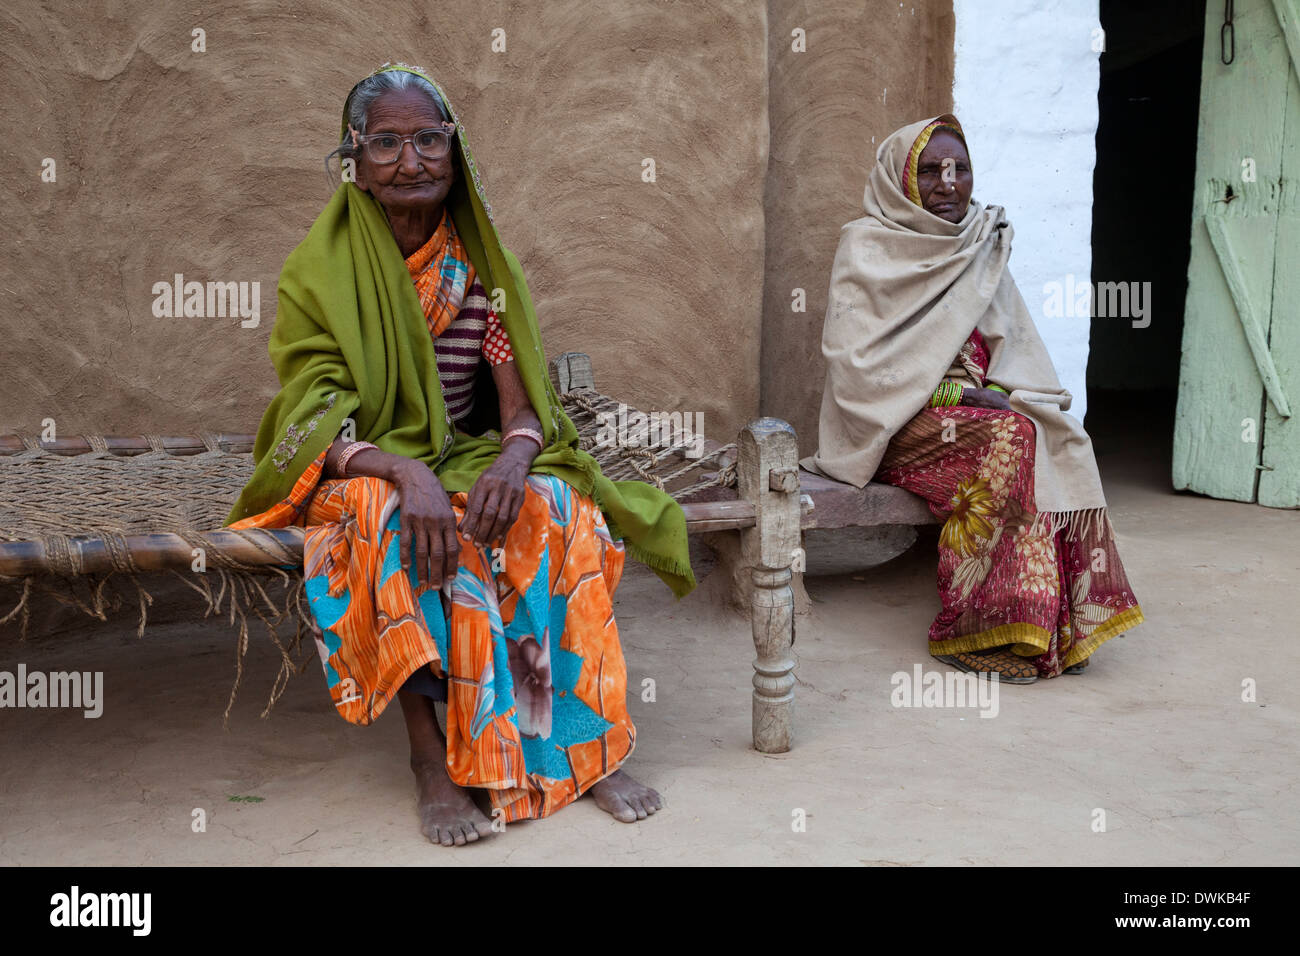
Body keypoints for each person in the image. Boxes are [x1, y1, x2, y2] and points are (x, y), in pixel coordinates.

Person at [227, 63, 695, 845]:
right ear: (354, 161)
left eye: (428, 139)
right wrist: (403, 470)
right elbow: (312, 417)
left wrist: (516, 460)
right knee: (380, 519)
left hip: (464, 458)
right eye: (386, 143)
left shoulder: (478, 267)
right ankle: (430, 761)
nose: (410, 161)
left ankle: (574, 746)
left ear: (455, 150)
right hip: (363, 465)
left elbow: (521, 408)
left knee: (556, 509)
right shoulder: (320, 270)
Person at [802, 114, 1143, 684]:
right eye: (931, 169)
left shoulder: (980, 244)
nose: (949, 182)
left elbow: (1017, 346)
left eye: (961, 169)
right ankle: (974, 627)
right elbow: (855, 365)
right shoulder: (866, 247)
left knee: (1051, 432)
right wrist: (958, 392)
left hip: (978, 417)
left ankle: (1053, 627)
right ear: (900, 181)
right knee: (1009, 437)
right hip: (892, 425)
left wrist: (1007, 394)